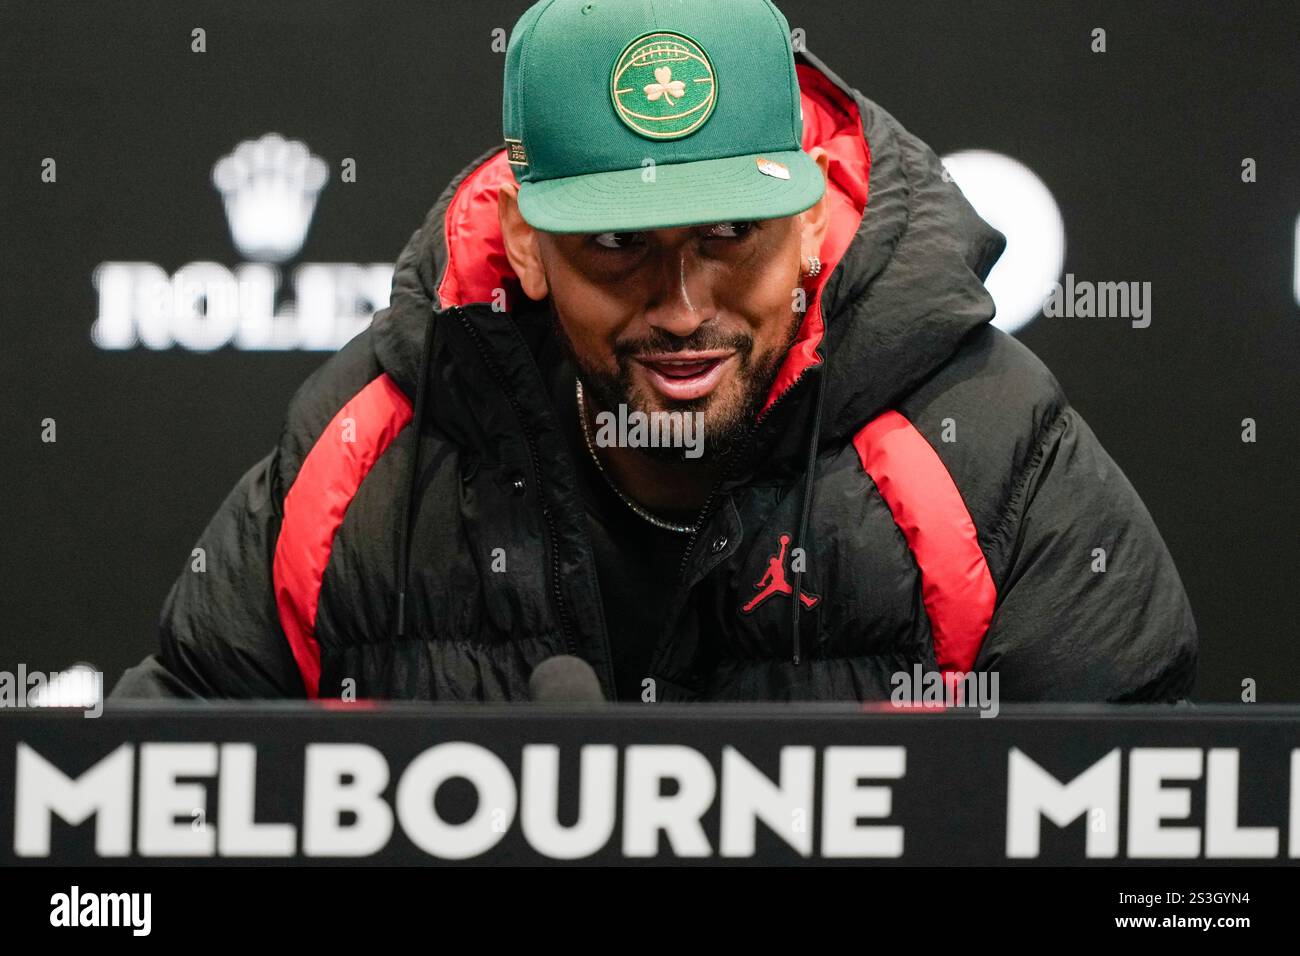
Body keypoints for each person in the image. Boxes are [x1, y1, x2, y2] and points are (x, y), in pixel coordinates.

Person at [112, 0, 1196, 703]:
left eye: (729, 236)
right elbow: (145, 803)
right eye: (619, 245)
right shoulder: (365, 459)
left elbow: (1145, 862)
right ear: (525, 247)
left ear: (814, 223)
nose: (681, 308)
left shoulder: (989, 456)